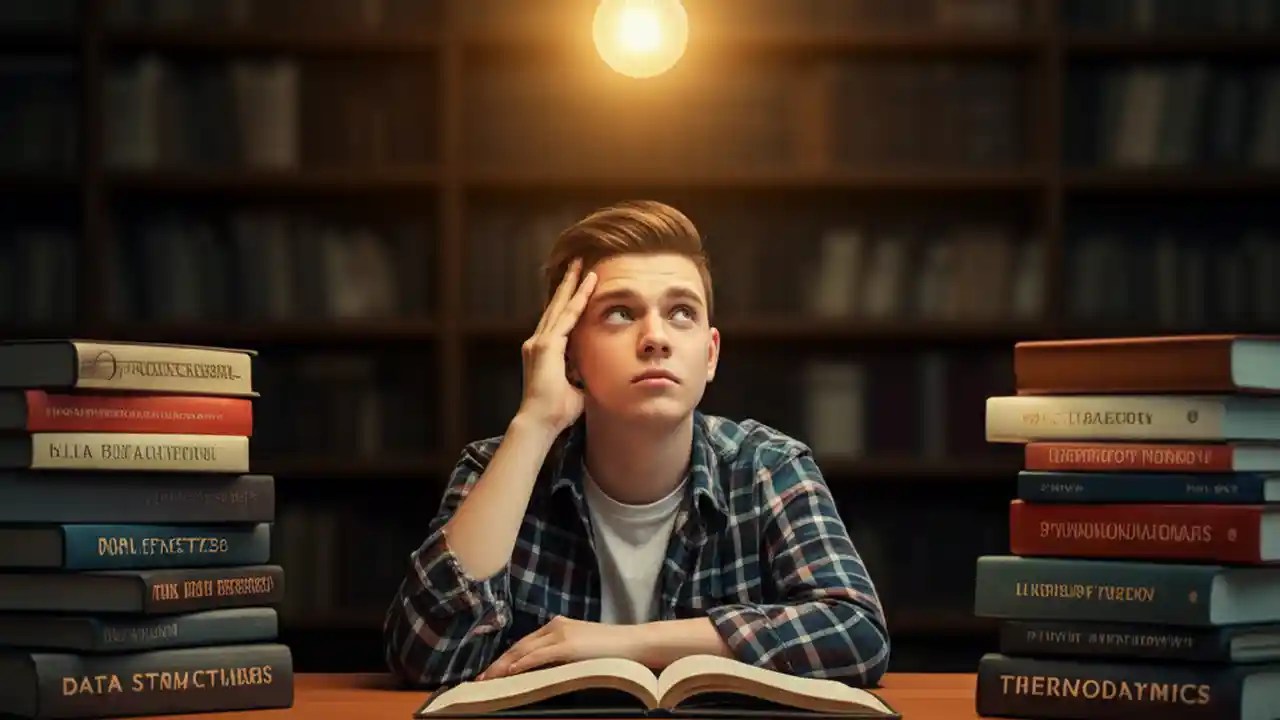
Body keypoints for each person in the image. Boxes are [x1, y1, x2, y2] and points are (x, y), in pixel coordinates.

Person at [382, 200, 890, 690]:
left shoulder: (767, 467)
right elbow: (425, 654)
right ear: (568, 354)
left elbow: (855, 631)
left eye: (682, 313)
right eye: (621, 313)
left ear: (710, 355)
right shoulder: (498, 466)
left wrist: (622, 644)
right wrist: (534, 424)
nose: (655, 338)